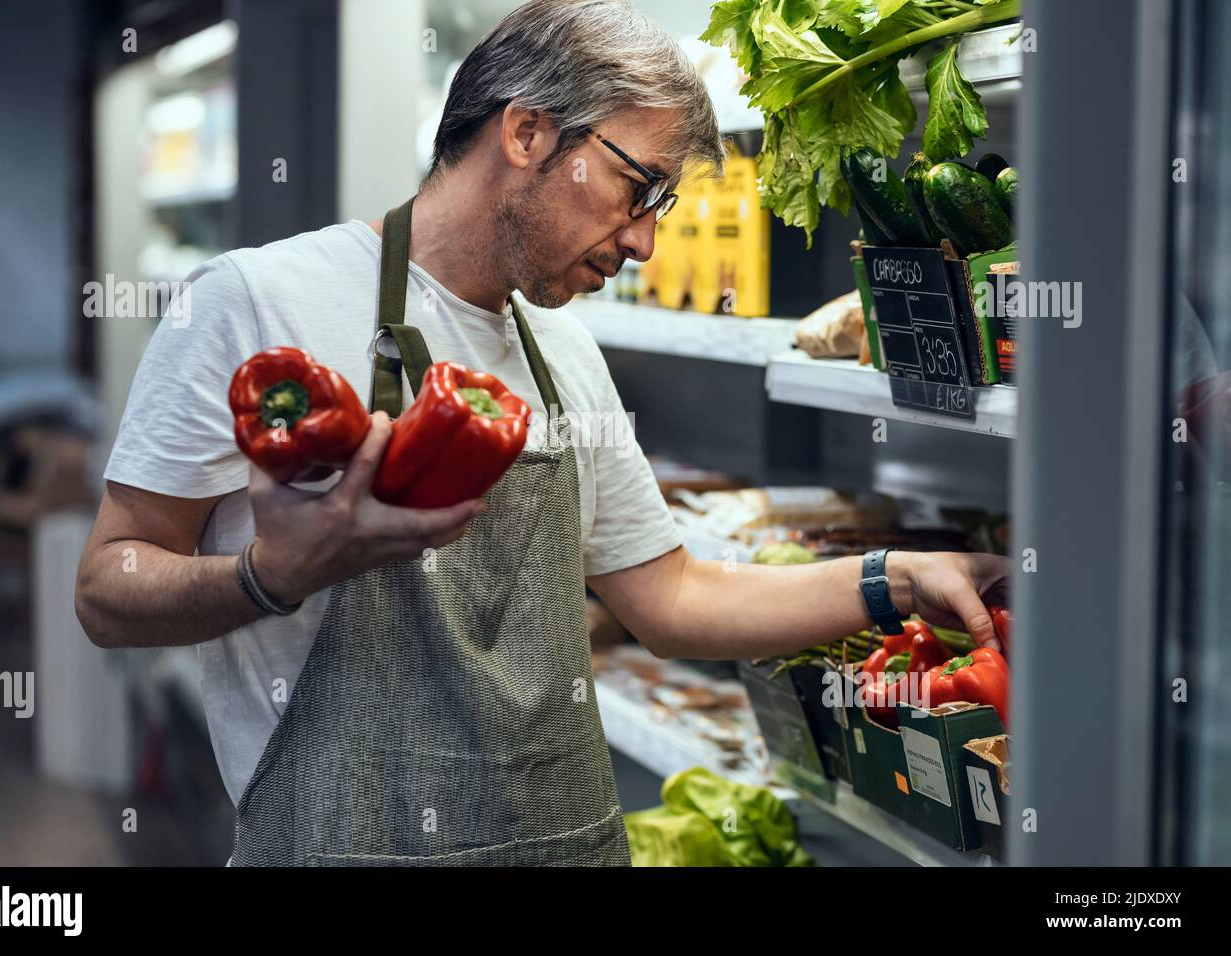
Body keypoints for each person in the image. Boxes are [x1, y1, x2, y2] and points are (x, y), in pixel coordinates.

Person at [76, 0, 1008, 866]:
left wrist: (897, 579)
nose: (644, 242)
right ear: (526, 133)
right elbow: (106, 591)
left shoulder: (565, 354)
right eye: (639, 188)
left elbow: (673, 599)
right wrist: (268, 575)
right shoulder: (255, 300)